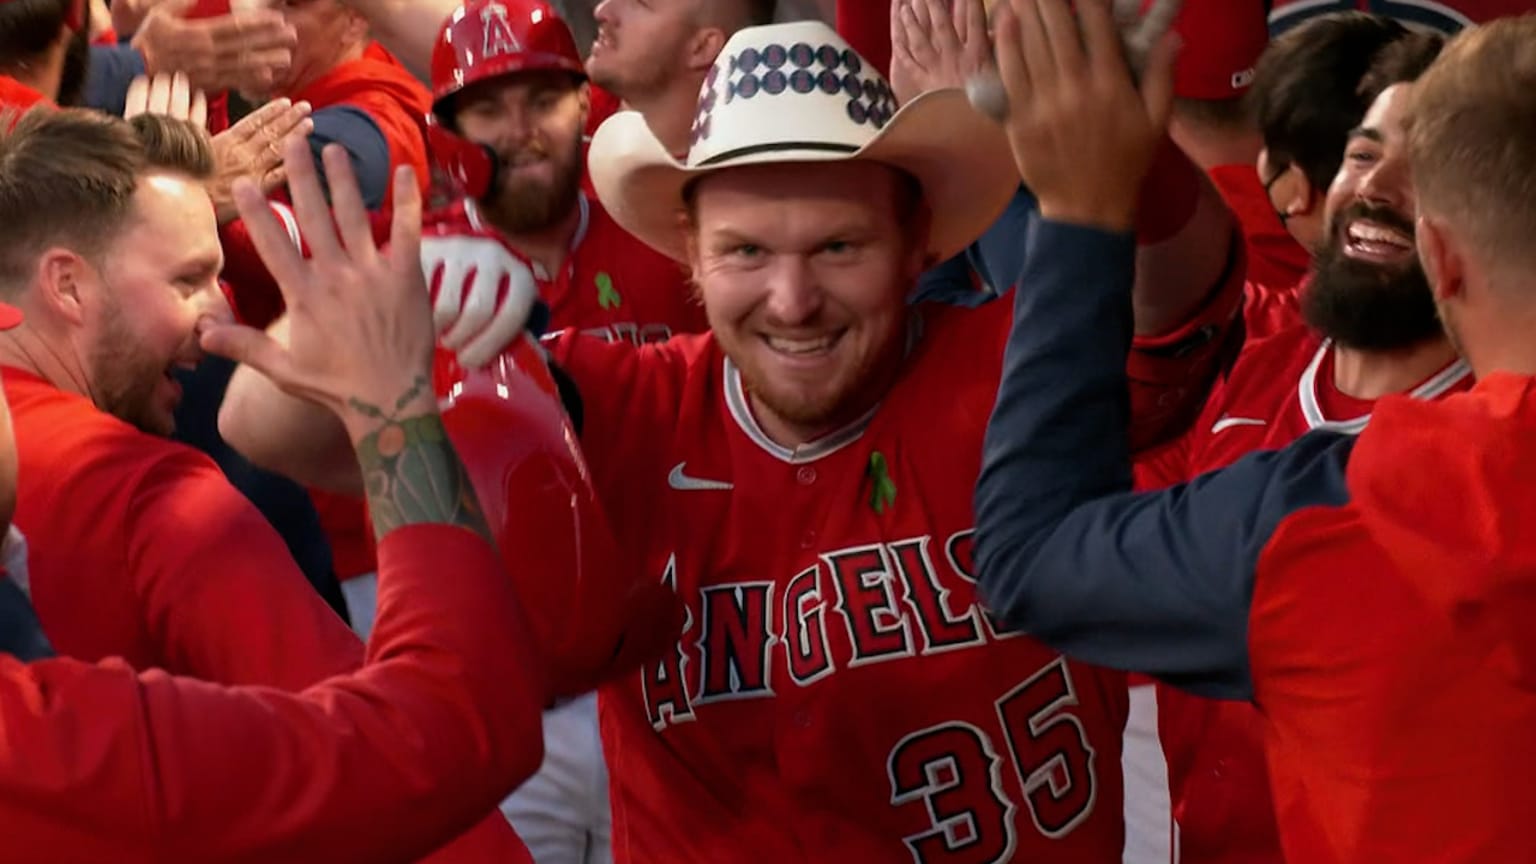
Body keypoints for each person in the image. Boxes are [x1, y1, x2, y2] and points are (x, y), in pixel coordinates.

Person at [221, 16, 1247, 860]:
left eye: (838, 246)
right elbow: (261, 423)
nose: (792, 300)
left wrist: (1129, 157)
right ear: (691, 254)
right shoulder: (620, 401)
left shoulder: (1013, 364)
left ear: (918, 243)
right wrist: (399, 315)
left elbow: (1186, 293)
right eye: (746, 251)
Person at [973, 10, 1536, 863]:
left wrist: (1082, 205)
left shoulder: (1346, 514)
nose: (1379, 184)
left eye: (1428, 170)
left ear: (1444, 253)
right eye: (1361, 152)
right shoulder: (1260, 364)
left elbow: (1031, 555)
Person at [1, 119, 547, 864]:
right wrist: (392, 406)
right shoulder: (145, 496)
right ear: (66, 284)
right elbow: (429, 749)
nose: (221, 314)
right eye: (187, 280)